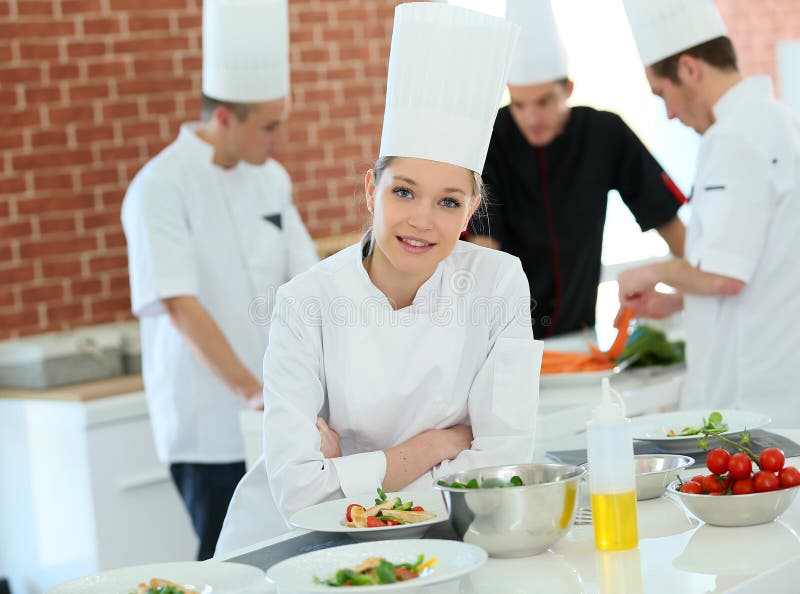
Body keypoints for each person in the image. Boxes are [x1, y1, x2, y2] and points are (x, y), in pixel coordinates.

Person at [214, 2, 543, 555]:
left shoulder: (499, 283)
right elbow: (297, 490)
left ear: (471, 211)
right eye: (404, 191)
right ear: (372, 189)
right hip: (315, 548)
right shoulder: (306, 302)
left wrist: (353, 472)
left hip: (455, 539)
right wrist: (440, 444)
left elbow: (500, 465)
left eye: (448, 201)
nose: (421, 219)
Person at [121, 0, 317, 560]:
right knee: (226, 562)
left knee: (288, 555)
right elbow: (181, 306)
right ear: (225, 118)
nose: (278, 138)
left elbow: (308, 283)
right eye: (269, 126)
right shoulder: (161, 187)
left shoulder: (271, 179)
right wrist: (253, 392)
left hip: (275, 416)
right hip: (208, 424)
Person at [619, 0, 800, 426]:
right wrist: (675, 301)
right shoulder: (778, 121)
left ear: (689, 69)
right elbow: (759, 266)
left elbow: (726, 277)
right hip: (780, 398)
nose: (670, 113)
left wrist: (654, 270)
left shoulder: (732, 137)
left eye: (663, 94)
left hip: (750, 408)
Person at [469, 0, 687, 338]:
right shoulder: (490, 137)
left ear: (568, 89)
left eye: (543, 102)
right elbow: (484, 243)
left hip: (580, 332)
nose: (531, 118)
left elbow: (664, 215)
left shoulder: (605, 133)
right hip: (504, 334)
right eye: (519, 104)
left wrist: (702, 287)